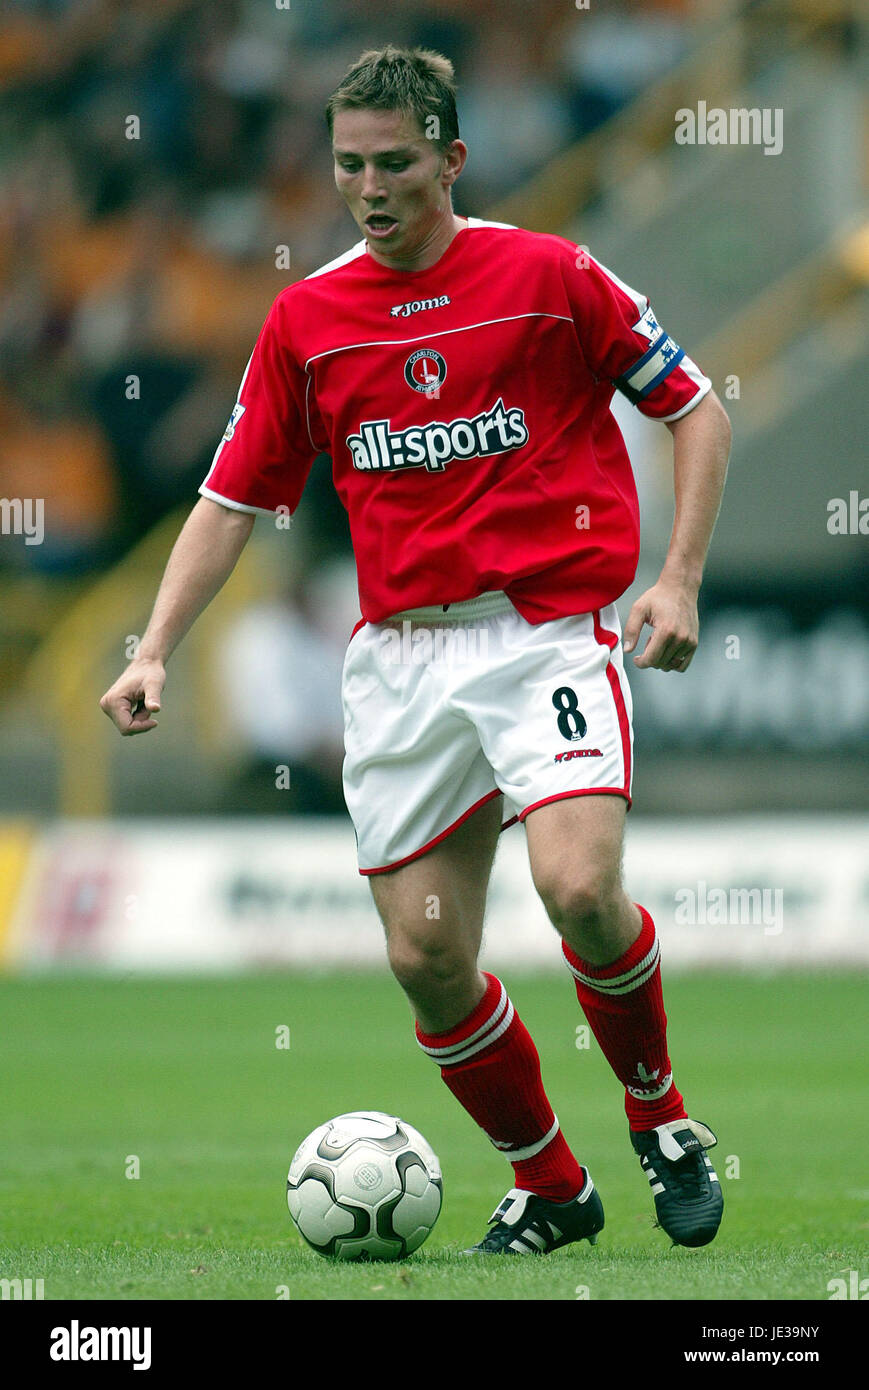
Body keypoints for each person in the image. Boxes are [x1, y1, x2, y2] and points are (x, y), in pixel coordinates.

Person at [100, 45, 732, 1256]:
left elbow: (692, 403)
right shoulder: (308, 318)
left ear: (450, 158)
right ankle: (553, 1185)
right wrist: (155, 649)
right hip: (400, 661)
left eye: (395, 164)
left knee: (579, 887)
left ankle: (660, 1121)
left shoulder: (548, 273)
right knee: (426, 953)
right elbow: (231, 497)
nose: (370, 188)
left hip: (544, 636)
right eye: (348, 166)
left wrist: (678, 577)